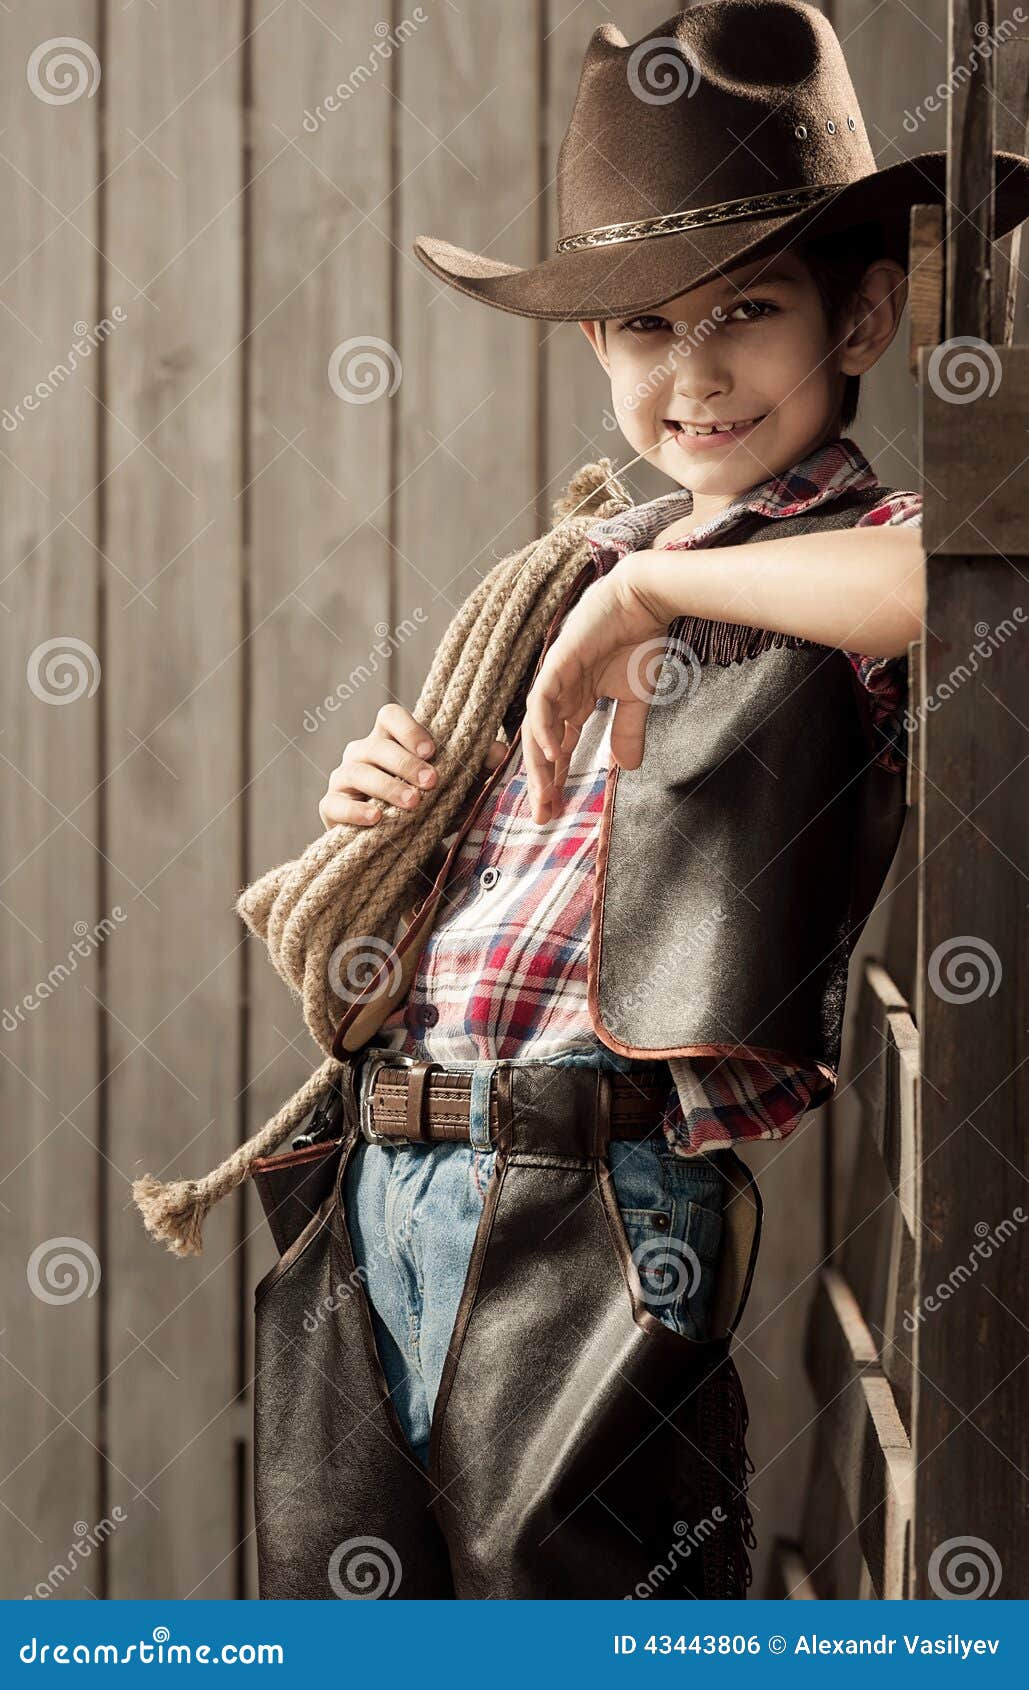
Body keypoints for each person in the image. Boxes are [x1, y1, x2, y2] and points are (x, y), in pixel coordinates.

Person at [138, 0, 1029, 1601]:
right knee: (344, 1621)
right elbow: (506, 849)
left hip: (593, 1198)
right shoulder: (570, 566)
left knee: (581, 1614)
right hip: (375, 1166)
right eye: (639, 327)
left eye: (744, 309)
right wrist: (387, 836)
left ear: (865, 316)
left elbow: (952, 582)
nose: (690, 373)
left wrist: (640, 612)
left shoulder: (830, 555)